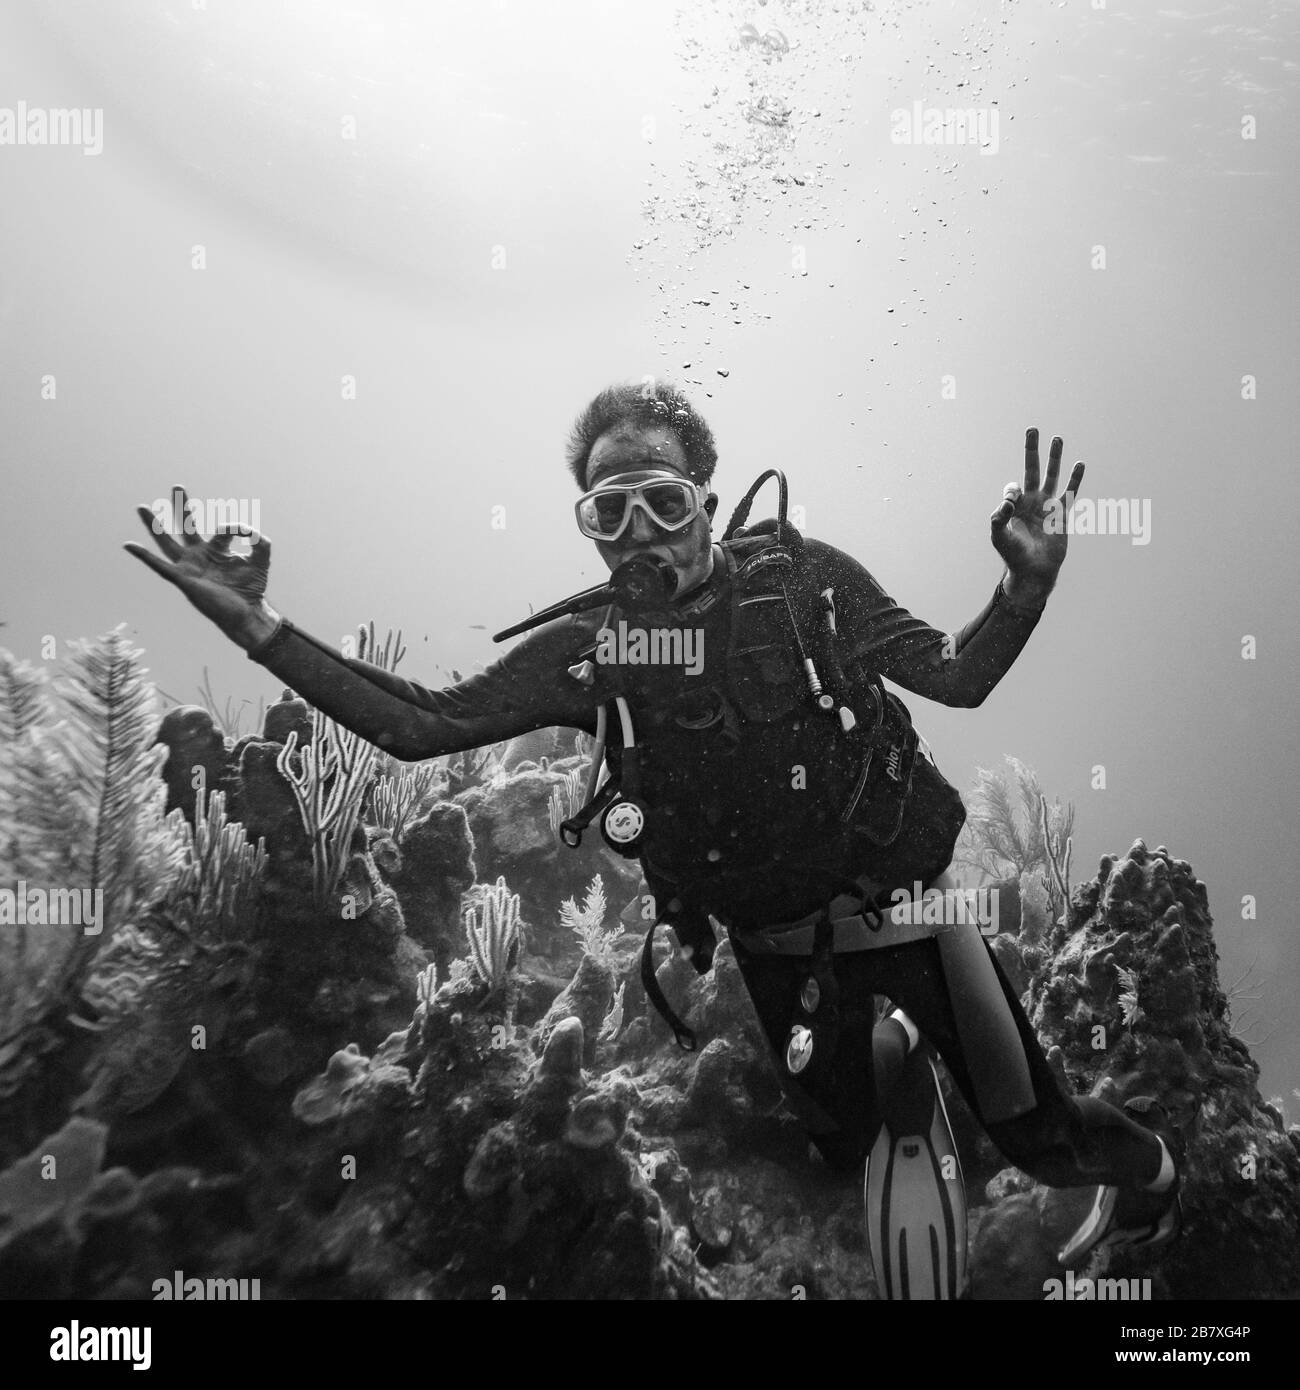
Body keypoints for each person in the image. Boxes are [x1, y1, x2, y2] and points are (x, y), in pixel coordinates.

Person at [125, 380, 1182, 1297]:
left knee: (1044, 1142)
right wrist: (259, 630)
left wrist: (1022, 586)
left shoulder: (810, 587)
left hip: (913, 915)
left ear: (707, 506)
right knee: (839, 1151)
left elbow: (960, 674)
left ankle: (1155, 1185)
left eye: (663, 504)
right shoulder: (592, 651)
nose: (639, 536)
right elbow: (422, 726)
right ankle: (894, 1061)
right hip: (776, 956)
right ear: (586, 524)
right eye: (608, 512)